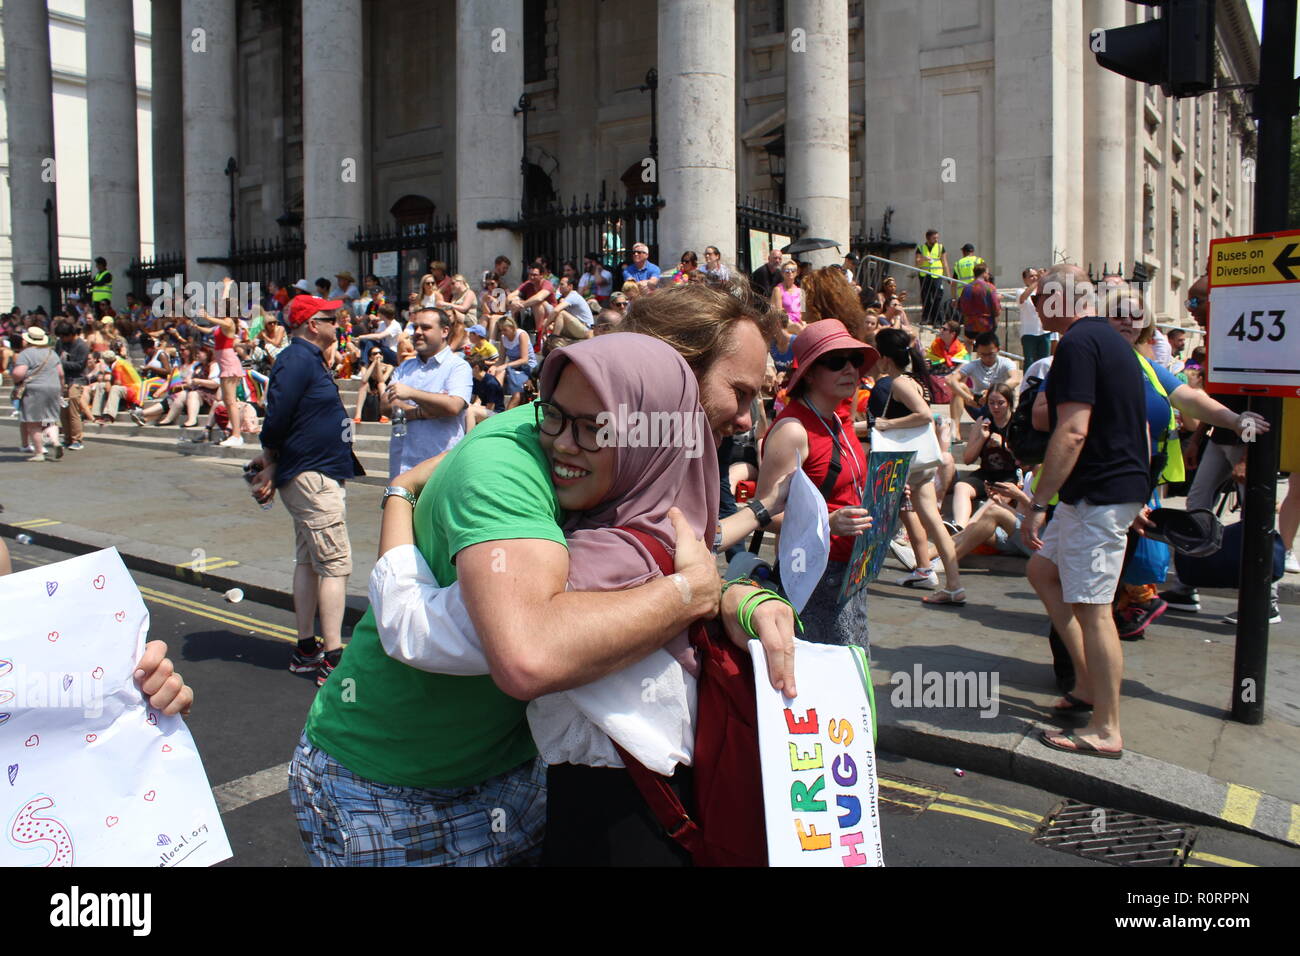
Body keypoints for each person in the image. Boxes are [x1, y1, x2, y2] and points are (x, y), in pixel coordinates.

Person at [290, 285, 794, 868]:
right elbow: (514, 647)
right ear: (665, 380)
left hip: (514, 776)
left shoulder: (647, 464)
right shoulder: (516, 464)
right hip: (394, 788)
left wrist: (733, 596)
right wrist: (688, 595)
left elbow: (676, 553)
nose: (745, 416)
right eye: (737, 391)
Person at [1021, 265, 1149, 760]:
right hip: (1100, 491)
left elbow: (1072, 431)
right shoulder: (1112, 342)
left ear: (1060, 298)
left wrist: (1037, 503)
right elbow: (1133, 421)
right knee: (1042, 570)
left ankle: (1106, 727)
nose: (1033, 308)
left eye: (1038, 299)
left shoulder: (1076, 344)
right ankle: (1088, 684)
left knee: (1096, 611)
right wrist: (1135, 491)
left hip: (1097, 494)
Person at [1099, 286, 1272, 635]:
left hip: (1134, 485)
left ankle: (1113, 629)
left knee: (1109, 582)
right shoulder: (1092, 359)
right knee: (1088, 590)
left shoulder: (1144, 365)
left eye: (1136, 316)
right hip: (1102, 490)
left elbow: (1189, 398)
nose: (1128, 322)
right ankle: (1084, 665)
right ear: (1103, 319)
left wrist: (1236, 421)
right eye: (1119, 314)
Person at [248, 295, 364, 687]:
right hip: (313, 478)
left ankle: (306, 649)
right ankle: (332, 656)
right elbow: (277, 413)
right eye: (332, 318)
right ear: (313, 324)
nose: (339, 323)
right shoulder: (297, 359)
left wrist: (272, 463)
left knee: (309, 561)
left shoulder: (306, 359)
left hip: (310, 472)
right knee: (334, 564)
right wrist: (269, 456)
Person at [755, 320, 878, 647]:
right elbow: (762, 513)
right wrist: (828, 523)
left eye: (854, 359)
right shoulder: (794, 430)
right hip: (812, 576)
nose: (850, 368)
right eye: (836, 361)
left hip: (850, 570)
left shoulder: (839, 418)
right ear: (809, 372)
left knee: (853, 667)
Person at [871, 328, 964, 604]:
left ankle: (855, 573)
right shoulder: (914, 381)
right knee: (932, 521)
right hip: (918, 463)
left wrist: (886, 424)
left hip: (905, 463)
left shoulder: (899, 383)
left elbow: (923, 416)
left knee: (874, 514)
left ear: (885, 357)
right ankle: (954, 585)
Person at [381, 307, 473, 481]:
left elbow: (453, 406)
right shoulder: (405, 368)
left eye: (425, 327)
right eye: (415, 327)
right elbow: (386, 407)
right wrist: (421, 412)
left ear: (445, 331)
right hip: (401, 467)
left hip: (439, 469)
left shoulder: (457, 367)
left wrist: (411, 394)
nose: (417, 332)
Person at [951, 384, 1020, 528]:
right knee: (961, 487)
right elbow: (967, 459)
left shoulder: (1017, 424)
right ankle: (959, 526)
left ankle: (969, 529)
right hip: (986, 474)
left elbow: (1024, 462)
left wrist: (1004, 446)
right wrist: (982, 438)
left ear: (1009, 403)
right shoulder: (983, 422)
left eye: (1000, 403)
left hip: (1011, 476)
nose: (995, 407)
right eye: (991, 403)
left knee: (996, 498)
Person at [194, 290, 247, 447]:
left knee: (230, 401)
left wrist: (207, 316)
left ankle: (237, 435)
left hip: (229, 363)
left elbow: (220, 321)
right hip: (225, 363)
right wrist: (197, 325)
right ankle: (234, 434)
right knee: (227, 400)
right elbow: (211, 329)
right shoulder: (223, 323)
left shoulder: (229, 322)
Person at [947, 331, 1021, 429]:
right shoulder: (973, 365)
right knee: (959, 388)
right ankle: (954, 430)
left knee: (998, 398)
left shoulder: (1006, 363)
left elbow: (1015, 380)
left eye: (991, 354)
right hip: (979, 405)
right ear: (977, 351)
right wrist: (968, 397)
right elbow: (951, 380)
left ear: (998, 349)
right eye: (983, 354)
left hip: (1000, 406)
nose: (987, 358)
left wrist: (992, 392)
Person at [12, 327, 64, 462]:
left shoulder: (26, 354)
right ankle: (55, 442)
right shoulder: (51, 353)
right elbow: (61, 373)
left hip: (35, 389)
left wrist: (15, 379)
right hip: (53, 388)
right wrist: (61, 389)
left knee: (34, 423)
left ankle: (39, 452)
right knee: (50, 420)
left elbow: (18, 373)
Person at [54, 321, 90, 451]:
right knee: (63, 411)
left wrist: (61, 363)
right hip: (62, 380)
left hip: (77, 380)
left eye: (63, 336)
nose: (61, 339)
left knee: (73, 411)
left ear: (70, 334)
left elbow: (79, 365)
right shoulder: (60, 343)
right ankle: (67, 438)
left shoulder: (82, 346)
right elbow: (55, 356)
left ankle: (77, 439)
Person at [493, 315, 536, 410]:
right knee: (497, 373)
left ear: (512, 327)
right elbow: (501, 359)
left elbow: (524, 359)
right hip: (513, 367)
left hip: (526, 366)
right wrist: (494, 367)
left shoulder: (521, 335)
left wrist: (505, 365)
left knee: (517, 395)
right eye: (501, 330)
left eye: (504, 330)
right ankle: (496, 400)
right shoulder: (503, 338)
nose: (503, 333)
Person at [956, 263, 1001, 344]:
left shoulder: (967, 287)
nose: (988, 275)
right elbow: (995, 306)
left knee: (969, 343)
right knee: (984, 344)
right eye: (987, 272)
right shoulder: (990, 287)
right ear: (983, 273)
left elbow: (962, 305)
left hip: (969, 322)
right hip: (985, 323)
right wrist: (997, 315)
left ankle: (969, 357)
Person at [544, 276, 595, 344]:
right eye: (560, 284)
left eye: (562, 284)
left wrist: (544, 326)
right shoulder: (564, 298)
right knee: (551, 324)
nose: (559, 287)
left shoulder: (573, 296)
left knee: (561, 313)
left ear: (570, 286)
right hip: (577, 327)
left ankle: (553, 341)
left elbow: (555, 311)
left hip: (586, 329)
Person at [914, 229, 948, 327]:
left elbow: (944, 262)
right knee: (926, 297)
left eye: (937, 237)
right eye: (934, 238)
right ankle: (926, 318)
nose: (936, 239)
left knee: (937, 297)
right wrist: (924, 258)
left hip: (937, 275)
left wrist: (948, 276)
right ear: (928, 238)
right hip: (924, 275)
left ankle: (937, 320)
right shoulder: (921, 248)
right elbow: (917, 262)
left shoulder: (940, 247)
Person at [1018, 267, 1052, 365]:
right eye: (1031, 276)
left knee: (1045, 362)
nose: (1034, 278)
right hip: (1029, 333)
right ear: (1025, 279)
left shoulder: (1043, 290)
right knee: (1030, 361)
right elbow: (1023, 298)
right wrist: (1038, 281)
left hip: (1044, 331)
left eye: (1035, 276)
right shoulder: (1020, 291)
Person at [465, 355, 504, 431]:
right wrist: (474, 405)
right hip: (485, 410)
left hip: (496, 413)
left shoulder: (491, 383)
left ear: (476, 368)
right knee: (465, 407)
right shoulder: (476, 379)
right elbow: (478, 398)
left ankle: (469, 437)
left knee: (470, 411)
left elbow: (491, 408)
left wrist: (474, 407)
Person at [770, 260, 803, 326]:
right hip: (784, 324)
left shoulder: (801, 291)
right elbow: (779, 313)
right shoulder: (778, 290)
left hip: (799, 324)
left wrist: (802, 322)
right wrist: (794, 325)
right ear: (782, 273)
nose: (790, 272)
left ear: (797, 273)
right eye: (787, 270)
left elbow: (803, 313)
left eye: (793, 270)